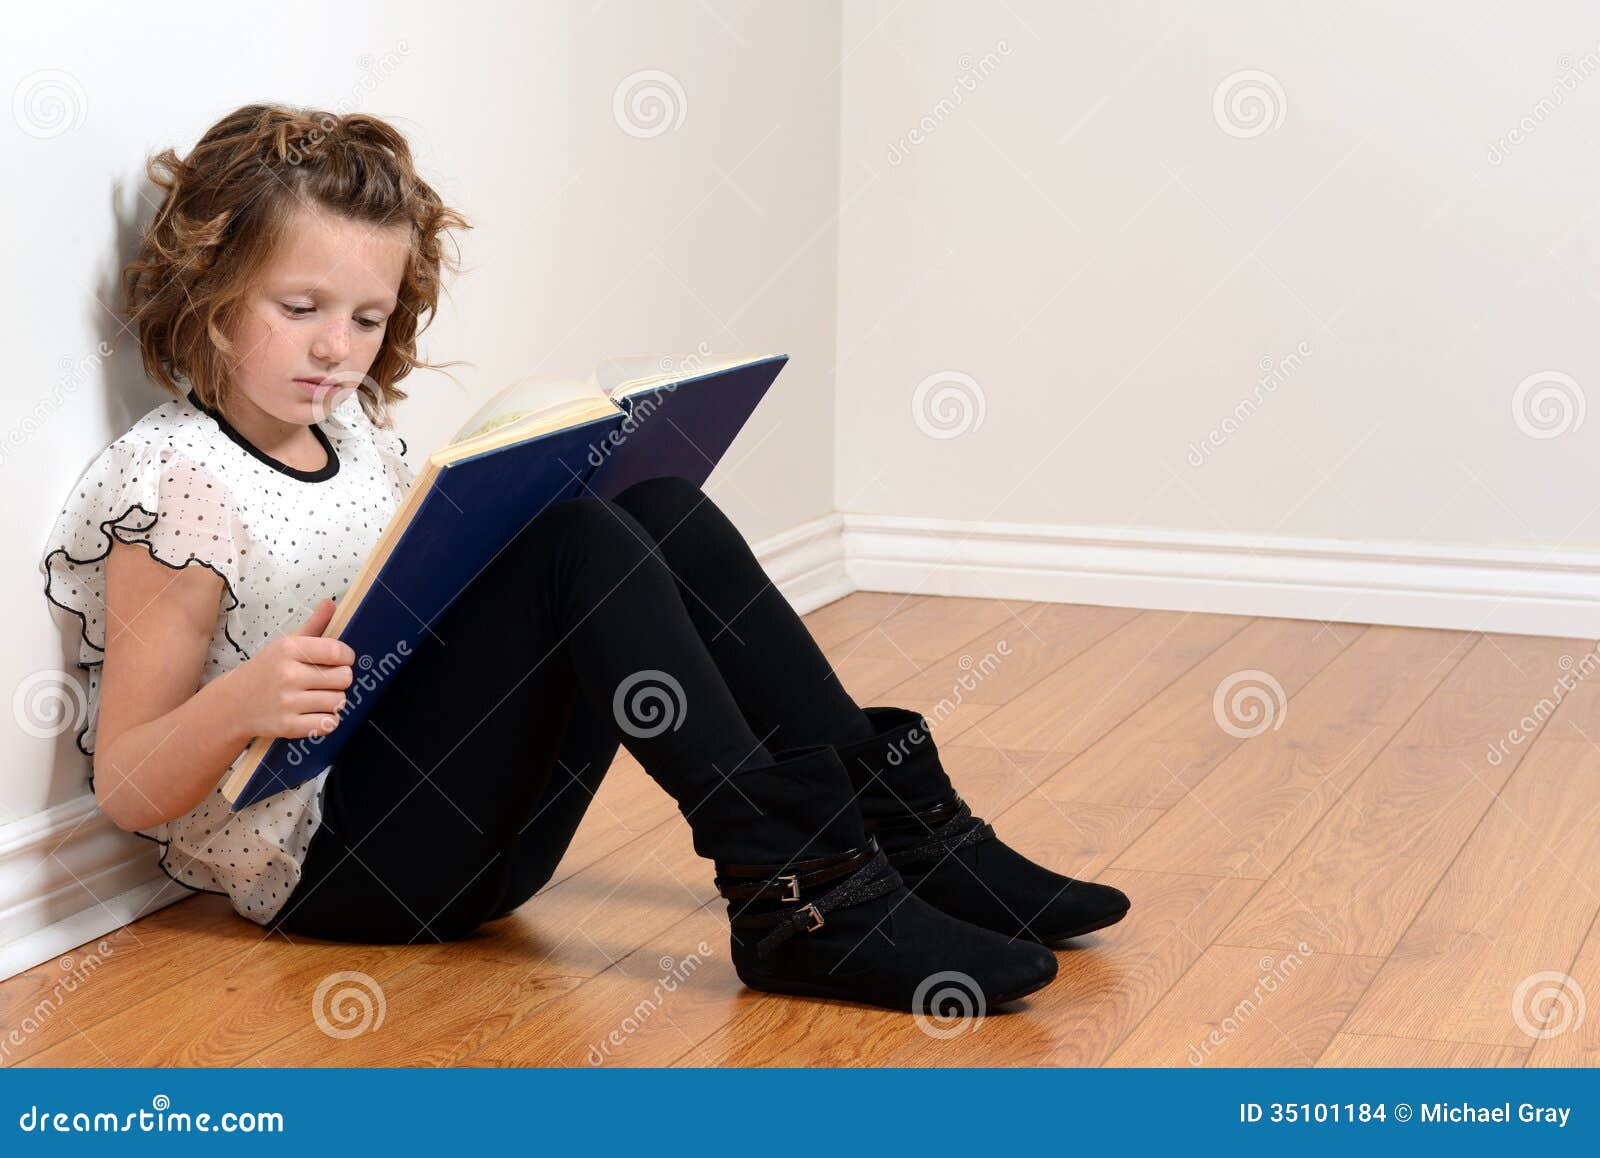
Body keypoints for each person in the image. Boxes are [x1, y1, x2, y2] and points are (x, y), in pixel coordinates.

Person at [40, 104, 1128, 1015]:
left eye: (368, 318)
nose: (338, 348)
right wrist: (243, 700)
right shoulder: (178, 488)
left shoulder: (358, 439)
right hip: (343, 874)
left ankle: (904, 833)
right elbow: (130, 787)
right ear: (209, 290)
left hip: (478, 845)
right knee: (575, 543)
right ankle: (803, 901)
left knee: (654, 505)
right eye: (301, 308)